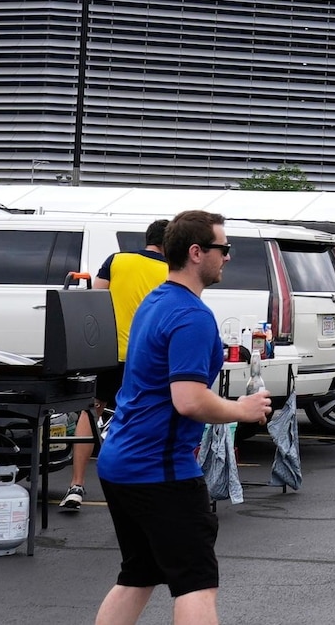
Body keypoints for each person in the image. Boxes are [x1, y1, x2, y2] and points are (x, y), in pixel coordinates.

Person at [94, 210, 271, 625]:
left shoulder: (156, 300)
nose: (228, 256)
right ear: (196, 252)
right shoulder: (191, 316)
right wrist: (241, 410)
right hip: (160, 469)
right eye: (223, 248)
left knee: (138, 575)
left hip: (122, 461)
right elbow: (188, 400)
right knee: (196, 583)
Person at [62, 218, 169, 512]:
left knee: (92, 410)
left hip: (109, 353)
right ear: (169, 243)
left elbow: (94, 302)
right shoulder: (171, 271)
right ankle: (137, 488)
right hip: (146, 357)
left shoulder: (117, 260)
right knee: (141, 416)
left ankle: (76, 485)